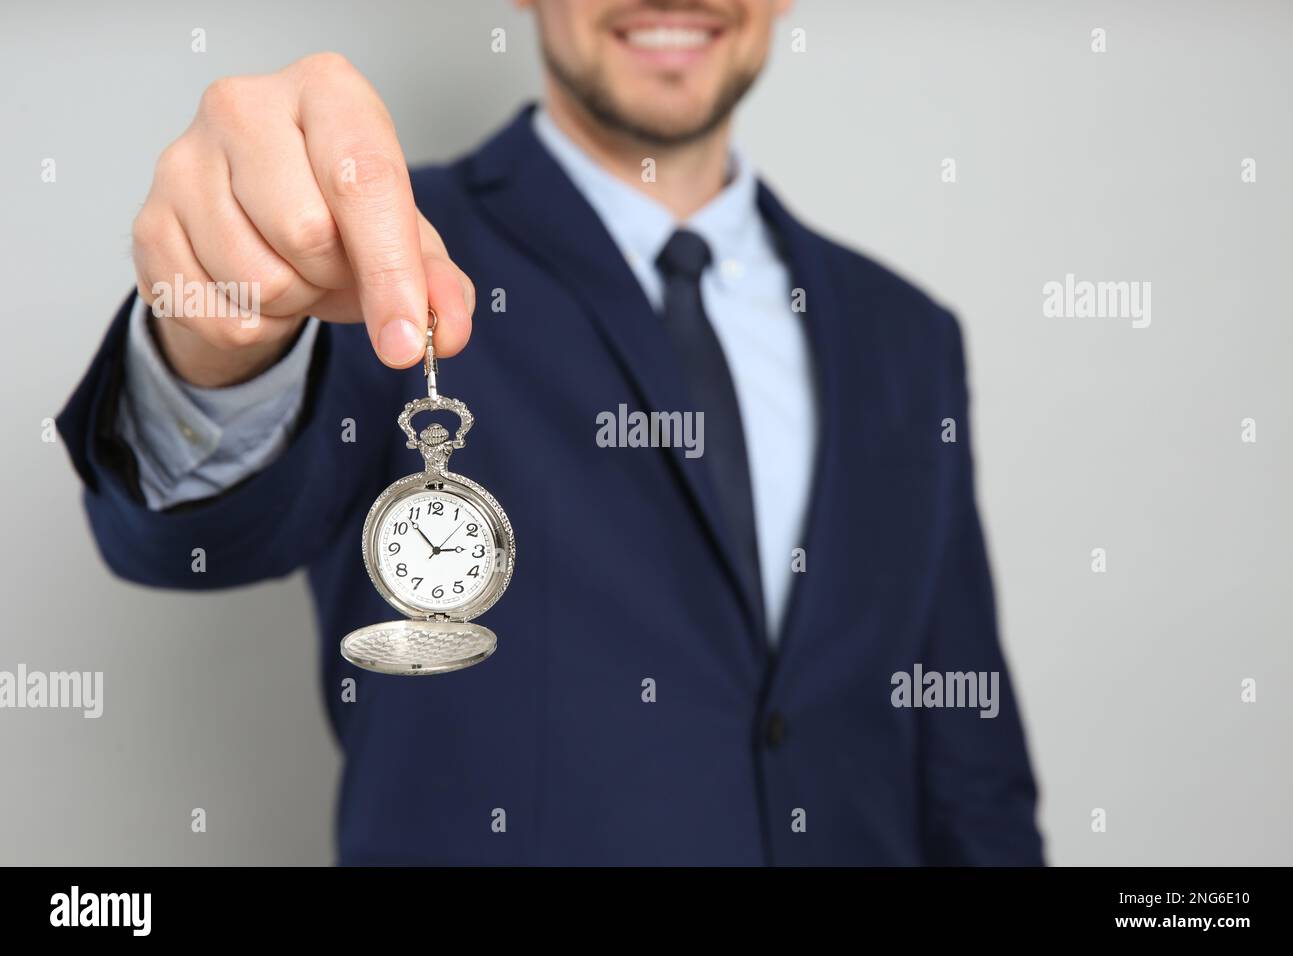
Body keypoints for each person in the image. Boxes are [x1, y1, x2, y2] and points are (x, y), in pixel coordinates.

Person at [58, 0, 1043, 865]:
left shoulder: (904, 332)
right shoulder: (370, 254)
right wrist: (215, 336)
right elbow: (187, 541)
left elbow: (968, 762)